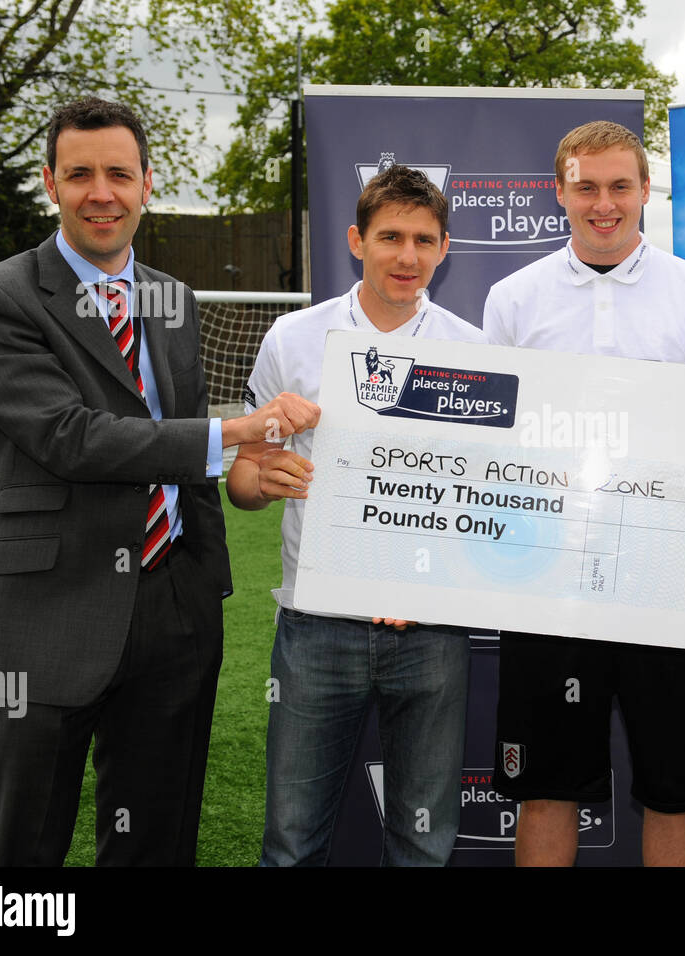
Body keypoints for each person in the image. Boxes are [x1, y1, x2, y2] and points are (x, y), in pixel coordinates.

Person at [0, 97, 319, 866]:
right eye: (79, 174)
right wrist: (238, 433)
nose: (101, 192)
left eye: (119, 173)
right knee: (25, 851)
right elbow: (71, 437)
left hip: (171, 611)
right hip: (42, 615)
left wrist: (202, 585)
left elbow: (180, 452)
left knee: (156, 839)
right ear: (51, 183)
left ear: (147, 182)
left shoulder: (172, 301)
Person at [483, 121, 685, 866]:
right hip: (547, 584)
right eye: (587, 187)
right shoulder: (512, 298)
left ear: (646, 191)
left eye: (620, 186)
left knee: (674, 791)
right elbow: (495, 446)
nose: (605, 203)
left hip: (669, 583)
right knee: (546, 786)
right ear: (559, 192)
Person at [228, 165, 484, 866]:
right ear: (356, 240)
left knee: (425, 843)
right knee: (291, 839)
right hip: (316, 627)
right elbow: (243, 480)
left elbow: (486, 500)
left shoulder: (476, 352)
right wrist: (264, 479)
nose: (408, 256)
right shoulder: (292, 337)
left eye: (424, 240)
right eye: (391, 237)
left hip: (430, 631)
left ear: (444, 248)